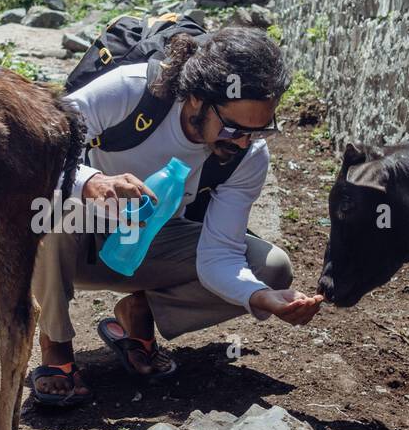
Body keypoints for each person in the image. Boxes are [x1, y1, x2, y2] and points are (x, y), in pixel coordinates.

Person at [30, 26, 324, 405]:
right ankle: (55, 343)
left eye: (259, 129)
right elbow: (38, 145)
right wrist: (89, 181)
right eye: (234, 128)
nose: (243, 142)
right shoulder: (131, 91)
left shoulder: (248, 156)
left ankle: (138, 312)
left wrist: (259, 297)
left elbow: (221, 254)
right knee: (48, 210)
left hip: (147, 246)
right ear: (197, 99)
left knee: (270, 268)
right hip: (74, 241)